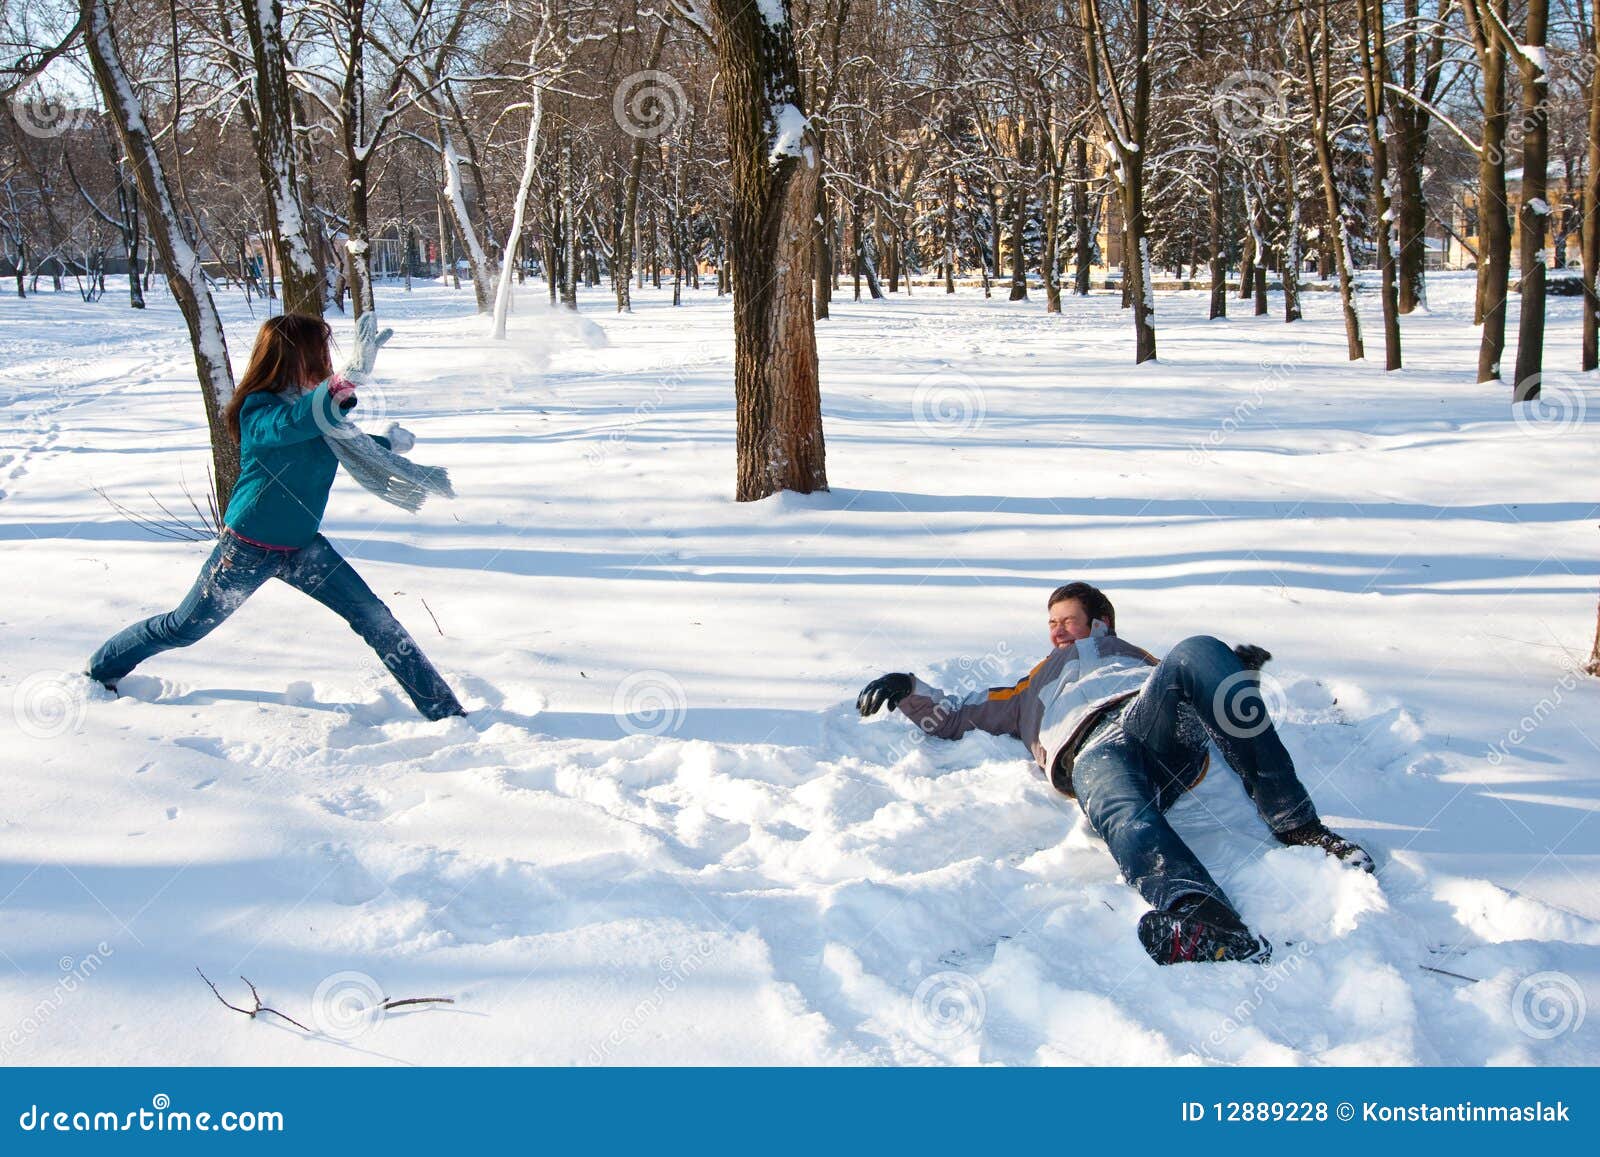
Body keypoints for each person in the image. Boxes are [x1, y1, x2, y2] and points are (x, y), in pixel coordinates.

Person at [856, 580, 1372, 966]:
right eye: (1051, 623)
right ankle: (1203, 917)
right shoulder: (1028, 686)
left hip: (1153, 725)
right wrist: (907, 688)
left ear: (1100, 624)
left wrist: (1234, 674)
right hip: (1091, 749)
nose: (1056, 631)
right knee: (1122, 808)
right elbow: (954, 716)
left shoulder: (1139, 660)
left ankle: (1300, 827)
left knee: (1197, 649)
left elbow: (1197, 682)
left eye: (1067, 620)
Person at [86, 313, 464, 721]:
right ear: (293, 355)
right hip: (246, 549)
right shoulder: (260, 411)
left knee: (376, 619)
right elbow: (297, 425)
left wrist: (384, 443)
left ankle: (445, 713)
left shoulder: (313, 414)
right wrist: (350, 377)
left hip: (302, 546)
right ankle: (100, 672)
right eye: (319, 352)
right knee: (183, 628)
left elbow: (327, 437)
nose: (325, 360)